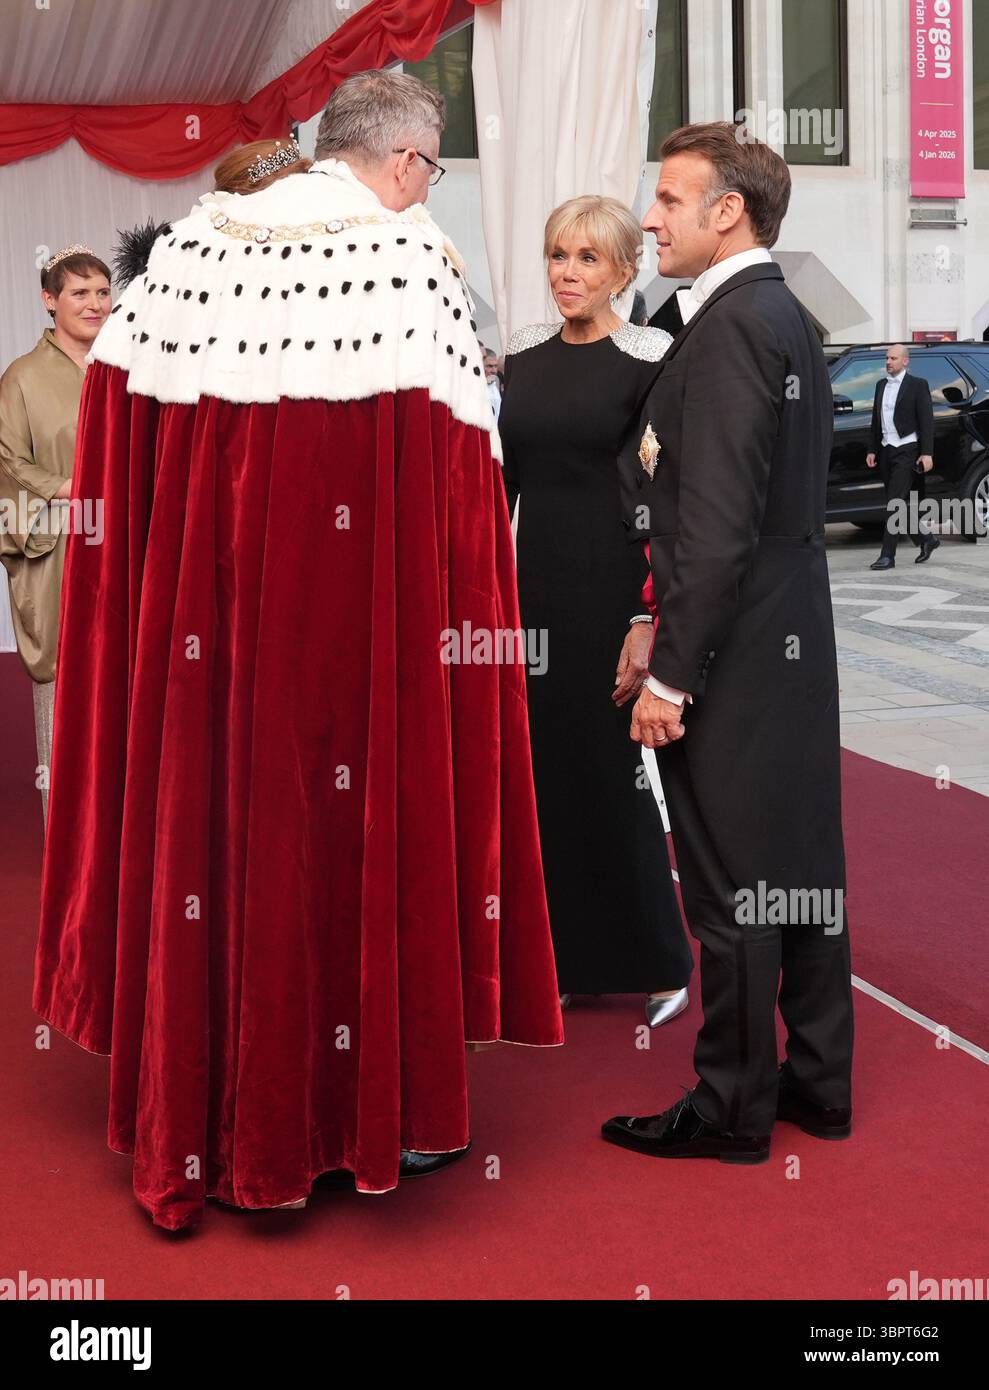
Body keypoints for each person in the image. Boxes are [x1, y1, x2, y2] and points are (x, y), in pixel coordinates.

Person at [34, 69, 562, 1232]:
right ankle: (346, 1117)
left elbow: (112, 466)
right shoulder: (408, 257)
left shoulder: (183, 254)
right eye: (431, 169)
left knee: (210, 849)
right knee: (348, 851)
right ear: (408, 161)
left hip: (198, 656)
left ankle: (202, 1106)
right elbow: (464, 513)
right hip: (356, 662)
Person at [603, 122, 853, 1163]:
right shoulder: (770, 310)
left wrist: (669, 669)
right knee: (797, 865)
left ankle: (729, 1106)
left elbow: (713, 523)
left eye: (666, 199)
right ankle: (815, 1083)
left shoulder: (737, 322)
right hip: (780, 633)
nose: (646, 218)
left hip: (742, 645)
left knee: (733, 879)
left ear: (725, 211)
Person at [498, 195, 692, 1026]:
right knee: (544, 775)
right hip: (528, 591)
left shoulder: (649, 356)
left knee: (612, 774)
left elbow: (660, 492)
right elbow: (498, 484)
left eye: (585, 258)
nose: (566, 274)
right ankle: (568, 957)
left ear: (621, 268)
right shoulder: (522, 355)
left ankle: (660, 959)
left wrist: (645, 616)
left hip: (611, 593)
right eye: (556, 255)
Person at [0, 246, 111, 823]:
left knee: (130, 695)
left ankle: (128, 854)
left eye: (101, 291)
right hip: (61, 548)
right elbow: (7, 462)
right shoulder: (22, 377)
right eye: (79, 293)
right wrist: (68, 487)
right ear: (49, 301)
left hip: (127, 548)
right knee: (64, 703)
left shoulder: (129, 367)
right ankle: (66, 846)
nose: (94, 304)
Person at [866, 344, 938, 569]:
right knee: (898, 503)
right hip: (886, 449)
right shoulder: (880, 385)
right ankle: (926, 539)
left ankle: (888, 555)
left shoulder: (918, 385)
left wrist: (927, 453)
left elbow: (927, 422)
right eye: (887, 358)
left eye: (893, 358)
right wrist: (872, 449)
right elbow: (876, 421)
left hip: (907, 449)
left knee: (894, 504)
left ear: (905, 361)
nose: (888, 362)